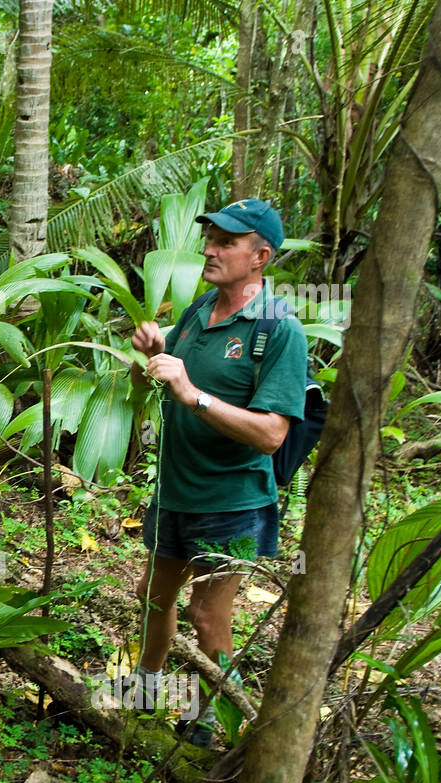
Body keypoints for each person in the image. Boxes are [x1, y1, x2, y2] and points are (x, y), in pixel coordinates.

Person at [128, 198, 308, 745]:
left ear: (260, 256)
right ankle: (145, 692)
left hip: (233, 501)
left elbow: (272, 432)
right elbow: (155, 387)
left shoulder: (279, 330)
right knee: (153, 597)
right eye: (211, 237)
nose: (210, 248)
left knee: (208, 616)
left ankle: (206, 723)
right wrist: (152, 357)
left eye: (227, 242)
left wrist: (194, 395)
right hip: (176, 490)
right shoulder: (199, 310)